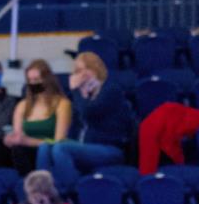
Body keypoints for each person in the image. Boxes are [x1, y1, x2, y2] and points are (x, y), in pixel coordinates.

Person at [38, 52, 133, 192]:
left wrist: (76, 91)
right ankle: (43, 191)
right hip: (84, 147)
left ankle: (73, 194)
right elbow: (74, 125)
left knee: (61, 149)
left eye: (84, 70)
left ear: (95, 69)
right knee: (46, 146)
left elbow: (90, 112)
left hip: (109, 148)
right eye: (77, 71)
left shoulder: (110, 89)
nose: (80, 75)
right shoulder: (82, 96)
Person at [2, 58, 71, 176]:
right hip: (26, 153)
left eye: (37, 79)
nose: (33, 84)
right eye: (30, 80)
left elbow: (60, 142)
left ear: (47, 80)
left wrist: (29, 141)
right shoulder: (22, 106)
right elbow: (19, 136)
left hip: (50, 152)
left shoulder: (62, 104)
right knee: (14, 149)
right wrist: (10, 139)